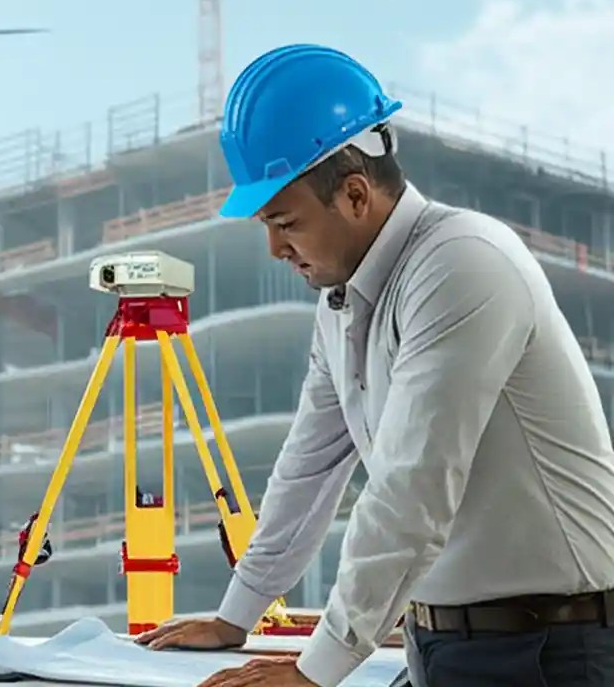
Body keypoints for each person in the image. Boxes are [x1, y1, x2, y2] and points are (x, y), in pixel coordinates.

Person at [134, 43, 614, 686]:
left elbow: (413, 485)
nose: (276, 247)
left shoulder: (461, 264)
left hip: (550, 650)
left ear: (355, 195)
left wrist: (317, 670)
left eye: (284, 222)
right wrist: (236, 615)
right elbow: (308, 468)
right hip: (445, 642)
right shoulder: (343, 304)